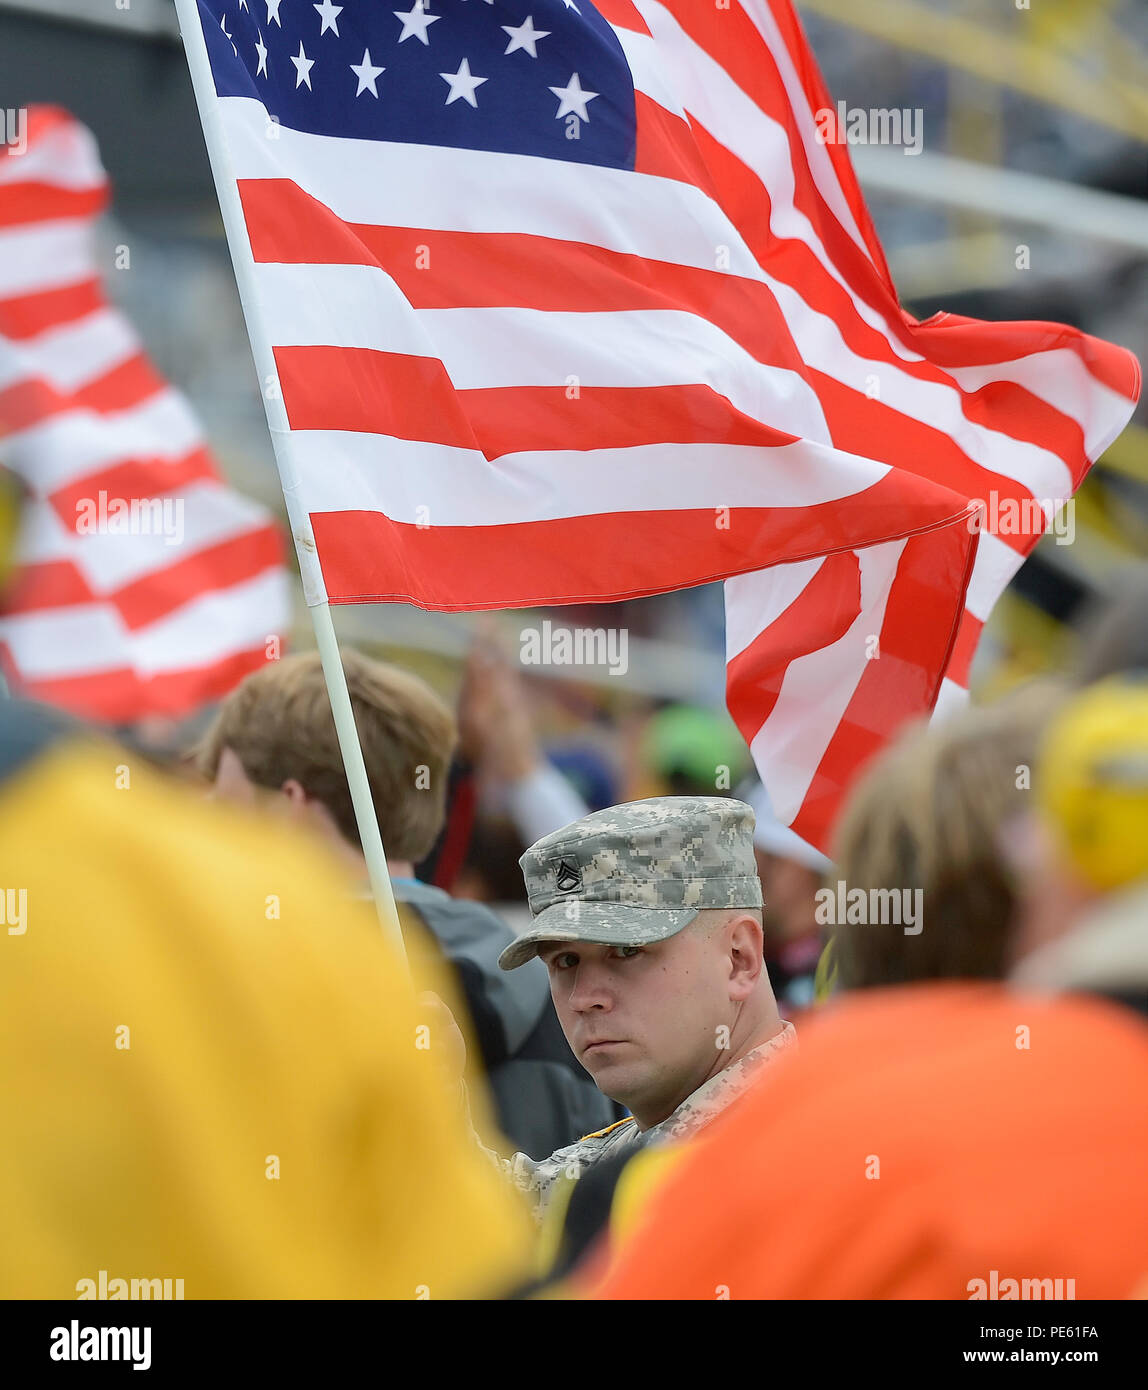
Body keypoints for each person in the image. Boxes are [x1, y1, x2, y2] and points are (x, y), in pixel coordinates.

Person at [0, 697, 532, 1298]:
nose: (205, 820)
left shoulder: (292, 940)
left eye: (223, 800)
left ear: (295, 805)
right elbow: (466, 1274)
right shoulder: (315, 943)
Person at [196, 648, 615, 1158]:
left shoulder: (262, 986)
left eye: (223, 803)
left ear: (290, 808)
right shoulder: (573, 976)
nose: (204, 831)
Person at [494, 795, 796, 1215]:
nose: (584, 998)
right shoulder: (634, 1157)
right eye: (565, 961)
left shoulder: (803, 1151)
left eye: (627, 951)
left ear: (738, 958)